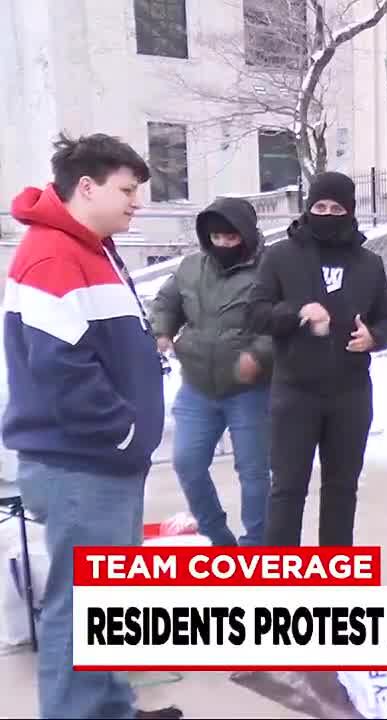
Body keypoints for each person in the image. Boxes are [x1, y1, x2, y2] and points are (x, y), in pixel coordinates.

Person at [2, 132, 181, 719]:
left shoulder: (90, 246)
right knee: (80, 605)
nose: (136, 202)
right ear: (87, 187)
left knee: (106, 602)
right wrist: (122, 432)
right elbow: (59, 365)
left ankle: (110, 708)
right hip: (84, 462)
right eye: (126, 190)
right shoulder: (54, 253)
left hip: (102, 462)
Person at [247, 171, 387, 546]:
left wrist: (375, 337)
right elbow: (255, 313)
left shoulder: (369, 263)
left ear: (349, 211)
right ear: (308, 208)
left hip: (350, 393)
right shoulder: (281, 256)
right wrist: (297, 311)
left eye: (336, 207)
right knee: (287, 490)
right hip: (295, 391)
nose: (327, 213)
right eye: (319, 206)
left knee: (342, 490)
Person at [150, 196, 273, 547]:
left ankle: (258, 546)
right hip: (198, 386)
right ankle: (218, 538)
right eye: (216, 239)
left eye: (231, 239)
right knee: (187, 462)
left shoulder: (270, 268)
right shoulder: (191, 268)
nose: (223, 245)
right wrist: (162, 330)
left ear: (247, 236)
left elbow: (282, 321)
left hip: (250, 388)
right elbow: (166, 302)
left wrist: (258, 355)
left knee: (253, 473)